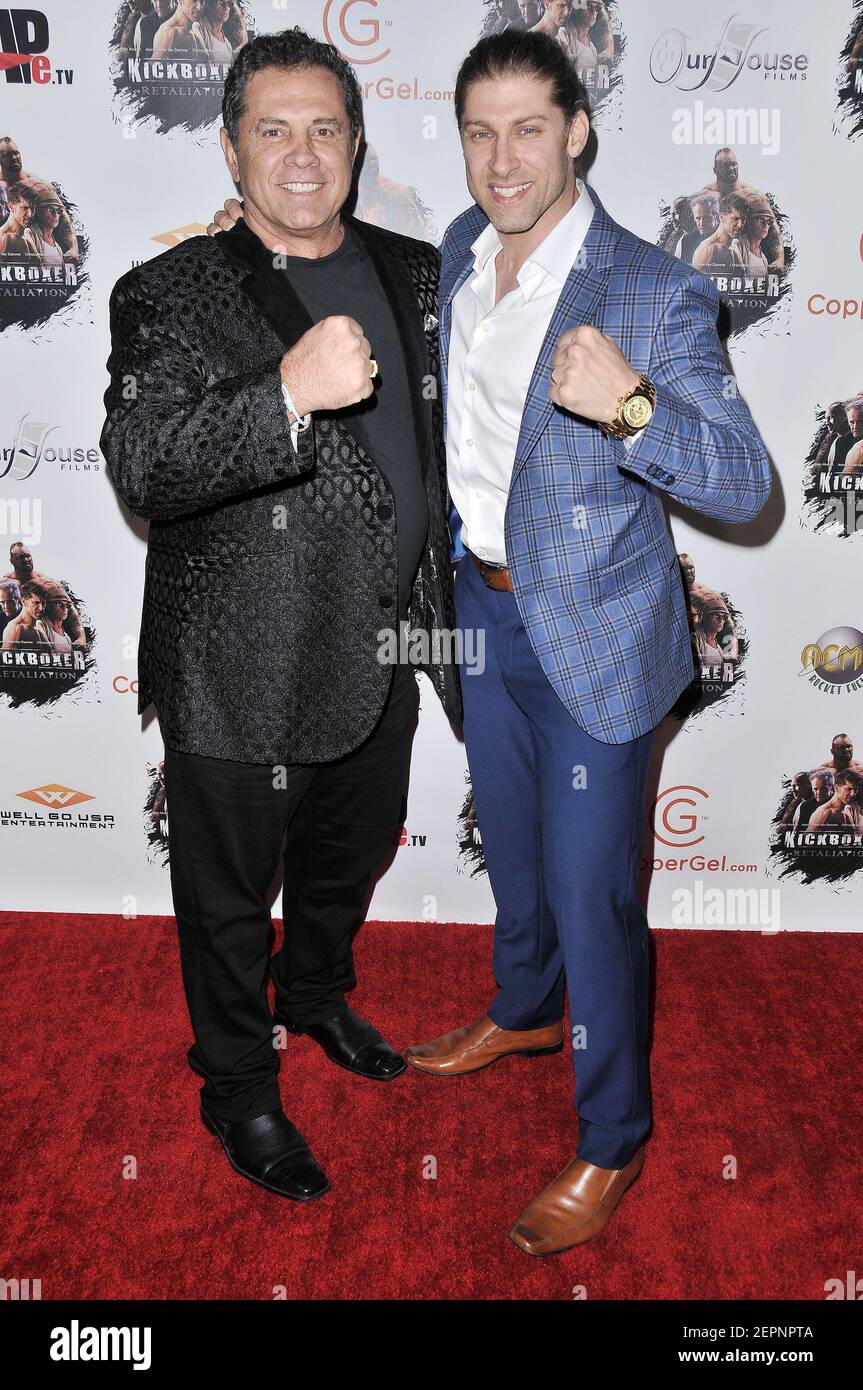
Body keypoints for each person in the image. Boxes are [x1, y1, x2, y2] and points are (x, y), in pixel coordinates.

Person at [403, 30, 771, 1256]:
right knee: (509, 847)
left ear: (576, 133)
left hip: (597, 632)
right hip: (474, 610)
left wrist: (625, 402)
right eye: (478, 131)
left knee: (588, 892)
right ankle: (519, 1007)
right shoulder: (459, 252)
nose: (501, 159)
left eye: (526, 128)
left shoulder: (652, 289)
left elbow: (740, 480)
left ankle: (611, 1135)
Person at [102, 26, 462, 1205]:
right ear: (228, 147)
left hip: (387, 648)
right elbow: (146, 464)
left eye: (324, 129)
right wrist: (285, 394)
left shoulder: (420, 272)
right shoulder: (167, 289)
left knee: (346, 860)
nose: (301, 155)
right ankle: (235, 1084)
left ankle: (311, 997)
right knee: (223, 903)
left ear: (356, 145)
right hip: (236, 660)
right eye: (273, 129)